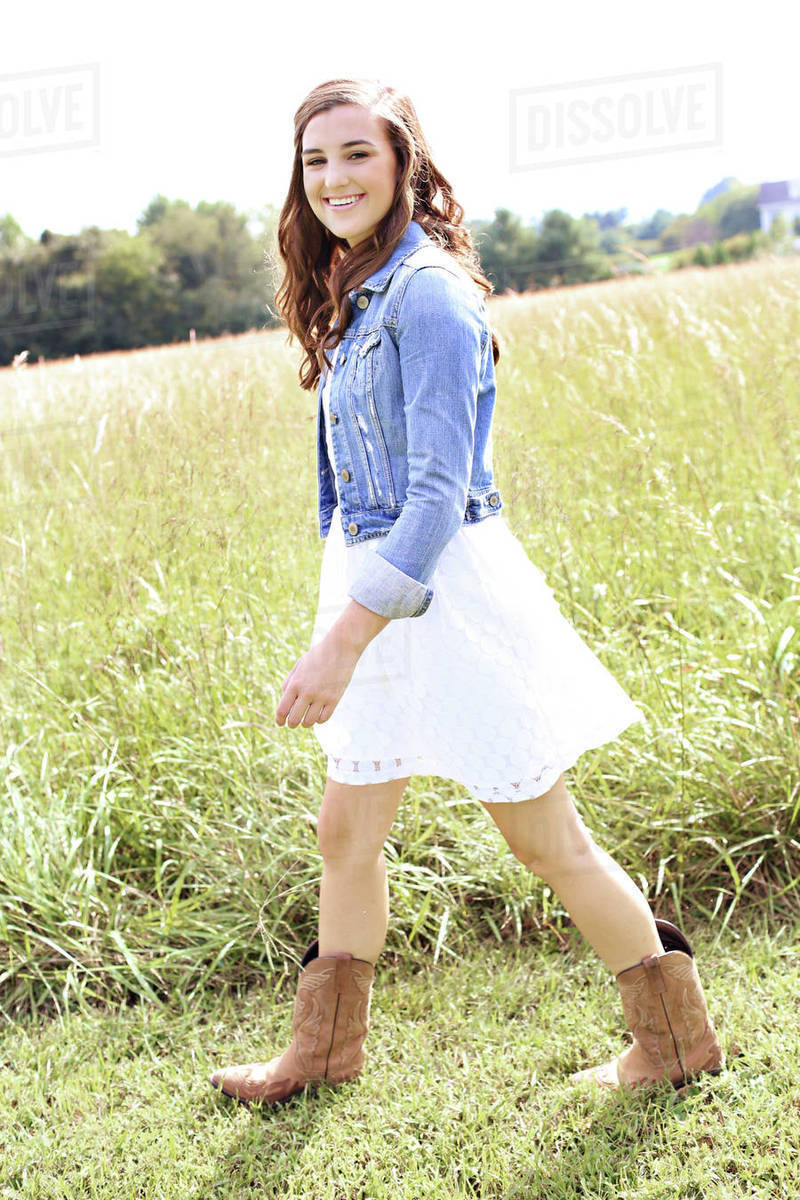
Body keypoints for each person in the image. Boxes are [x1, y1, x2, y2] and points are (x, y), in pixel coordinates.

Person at [209, 77, 725, 1106]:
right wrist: (347, 612)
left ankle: (672, 1039)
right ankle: (324, 1051)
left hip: (443, 597)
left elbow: (436, 494)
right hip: (377, 585)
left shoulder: (430, 293)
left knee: (542, 837)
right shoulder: (359, 291)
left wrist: (341, 641)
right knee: (345, 831)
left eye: (356, 153)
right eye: (315, 161)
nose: (333, 178)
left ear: (403, 161)